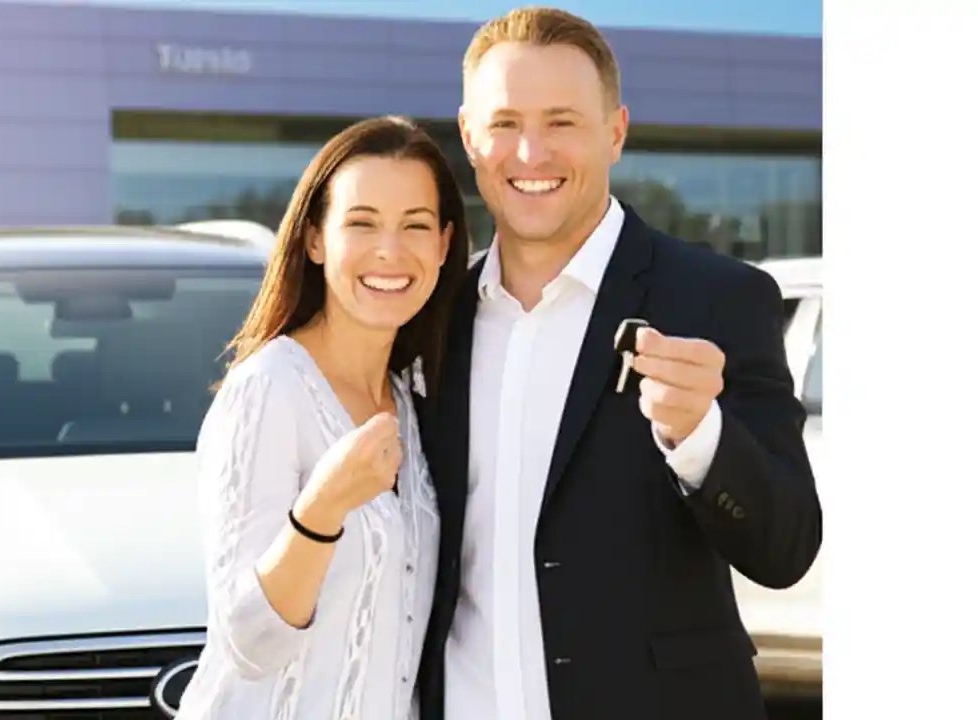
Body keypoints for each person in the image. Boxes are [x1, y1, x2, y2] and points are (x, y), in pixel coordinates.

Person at [413, 7, 823, 720]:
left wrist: (700, 437)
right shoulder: (430, 318)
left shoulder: (719, 299)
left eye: (562, 121)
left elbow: (785, 548)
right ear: (471, 138)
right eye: (505, 122)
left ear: (616, 132)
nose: (531, 152)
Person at [176, 115, 471, 719]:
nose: (389, 251)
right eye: (361, 223)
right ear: (315, 240)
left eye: (415, 225)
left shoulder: (413, 404)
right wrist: (322, 509)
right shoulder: (269, 389)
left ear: (443, 245)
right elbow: (249, 645)